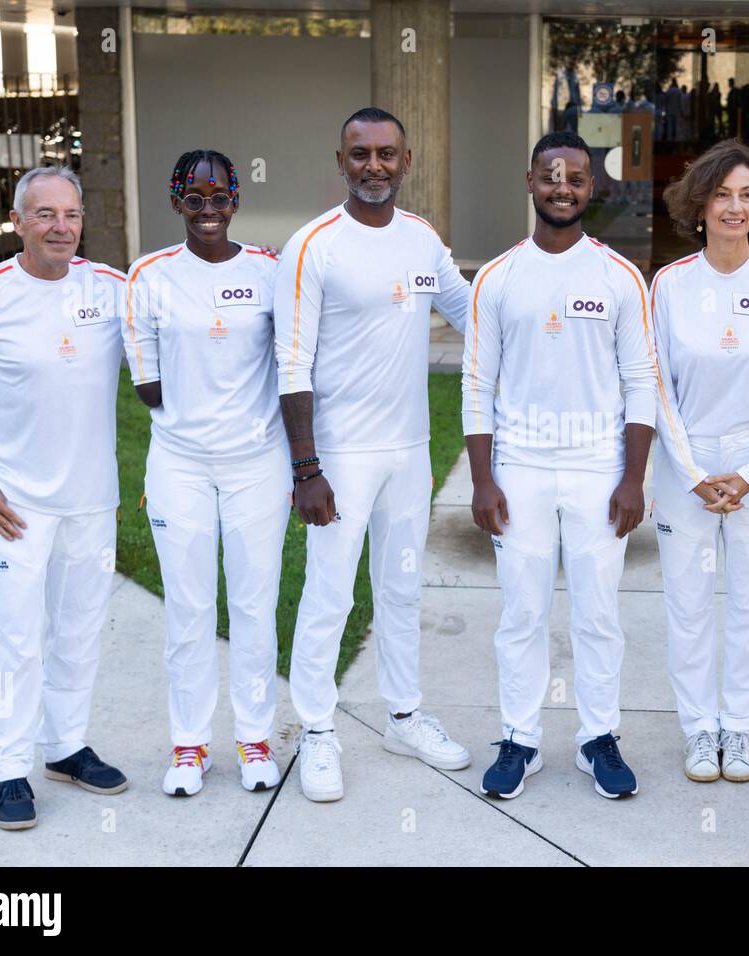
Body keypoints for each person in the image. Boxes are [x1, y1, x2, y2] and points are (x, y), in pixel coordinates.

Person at [275, 107, 473, 803]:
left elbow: (475, 312)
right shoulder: (313, 245)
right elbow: (291, 363)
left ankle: (403, 717)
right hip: (339, 455)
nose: (374, 165)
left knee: (402, 588)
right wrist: (307, 469)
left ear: (406, 161)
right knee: (330, 593)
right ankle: (316, 730)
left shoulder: (422, 239)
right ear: (341, 161)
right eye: (360, 153)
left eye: (387, 153)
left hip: (409, 452)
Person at [0, 165, 129, 829]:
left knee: (78, 632)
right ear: (17, 222)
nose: (60, 227)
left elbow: (183, 312)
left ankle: (65, 747)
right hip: (13, 508)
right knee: (16, 640)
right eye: (44, 214)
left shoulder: (111, 289)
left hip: (92, 503)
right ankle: (8, 767)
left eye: (70, 214)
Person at [463, 131, 657, 801]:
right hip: (519, 465)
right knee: (522, 611)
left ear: (592, 187)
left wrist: (633, 478)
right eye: (550, 175)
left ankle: (598, 737)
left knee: (598, 614)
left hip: (598, 466)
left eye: (575, 177)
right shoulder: (497, 277)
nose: (562, 187)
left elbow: (641, 381)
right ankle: (520, 739)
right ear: (530, 182)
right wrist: (482, 479)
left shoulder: (618, 276)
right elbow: (476, 383)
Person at [123, 149, 289, 797]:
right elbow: (149, 387)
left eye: (219, 197)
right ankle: (189, 745)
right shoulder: (149, 275)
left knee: (254, 605)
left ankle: (254, 738)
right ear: (176, 203)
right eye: (194, 199)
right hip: (180, 465)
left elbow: (294, 362)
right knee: (188, 608)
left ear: (236, 200)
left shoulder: (270, 270)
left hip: (257, 464)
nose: (208, 210)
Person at [651, 139, 749, 783]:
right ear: (700, 205)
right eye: (721, 194)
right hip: (684, 463)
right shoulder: (669, 284)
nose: (734, 207)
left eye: (746, 195)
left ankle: (737, 728)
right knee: (688, 606)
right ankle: (698, 729)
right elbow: (657, 385)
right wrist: (693, 473)